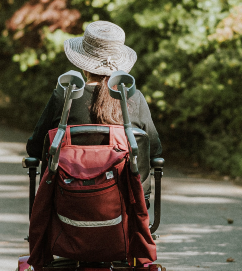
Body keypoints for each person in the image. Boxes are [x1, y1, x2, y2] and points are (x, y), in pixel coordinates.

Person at [26, 21, 162, 182]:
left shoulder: (63, 97)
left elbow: (35, 148)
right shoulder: (134, 98)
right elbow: (154, 151)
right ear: (118, 65)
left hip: (66, 193)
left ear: (84, 65)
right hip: (125, 193)